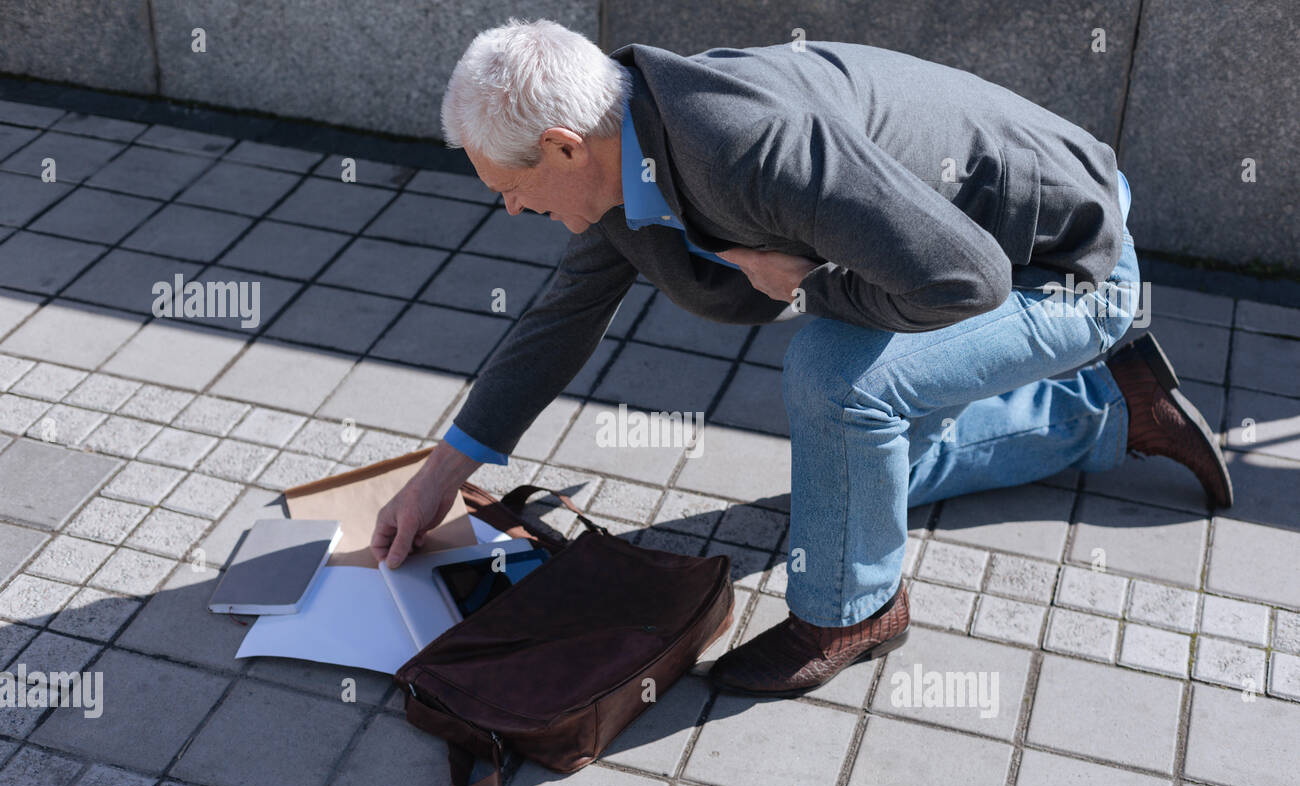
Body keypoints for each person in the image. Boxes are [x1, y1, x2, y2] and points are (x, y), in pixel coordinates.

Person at [370, 18, 1232, 697]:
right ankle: (1115, 412)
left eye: (509, 187)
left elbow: (966, 281)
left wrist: (811, 290)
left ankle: (853, 613)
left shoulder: (743, 145)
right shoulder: (630, 135)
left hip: (1070, 268)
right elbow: (561, 318)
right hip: (962, 251)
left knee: (835, 381)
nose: (512, 209)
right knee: (857, 474)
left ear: (563, 144)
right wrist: (443, 473)